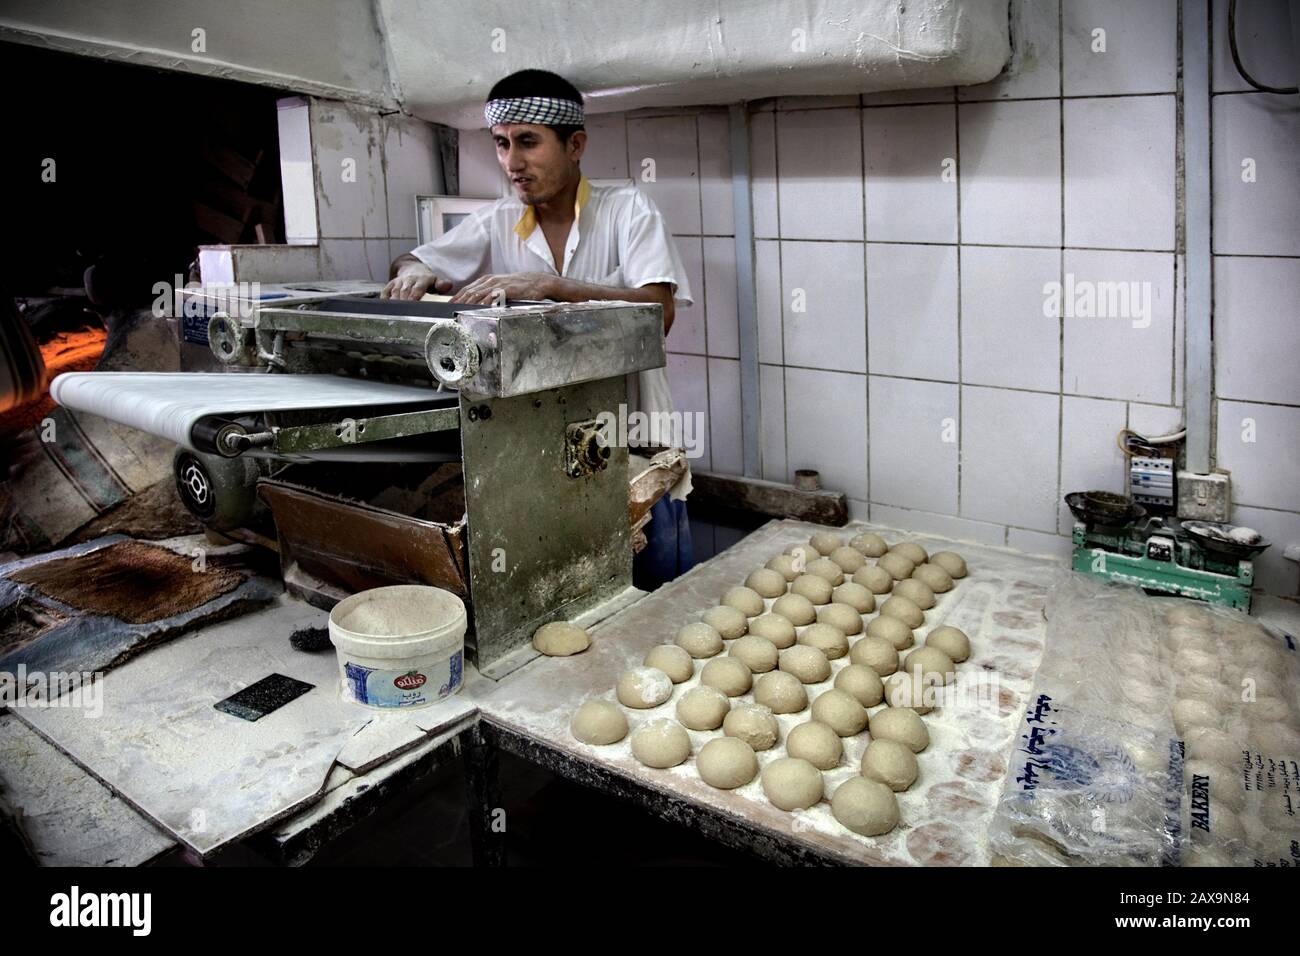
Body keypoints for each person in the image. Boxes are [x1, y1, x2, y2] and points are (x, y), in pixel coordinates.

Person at [384, 69, 693, 587]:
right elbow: (409, 260)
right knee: (563, 585)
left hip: (626, 433)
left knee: (655, 582)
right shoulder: (498, 219)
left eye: (528, 142)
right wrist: (412, 268)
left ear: (575, 145)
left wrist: (552, 285)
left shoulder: (627, 211)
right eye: (502, 144)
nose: (512, 162)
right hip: (533, 445)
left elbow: (658, 311)